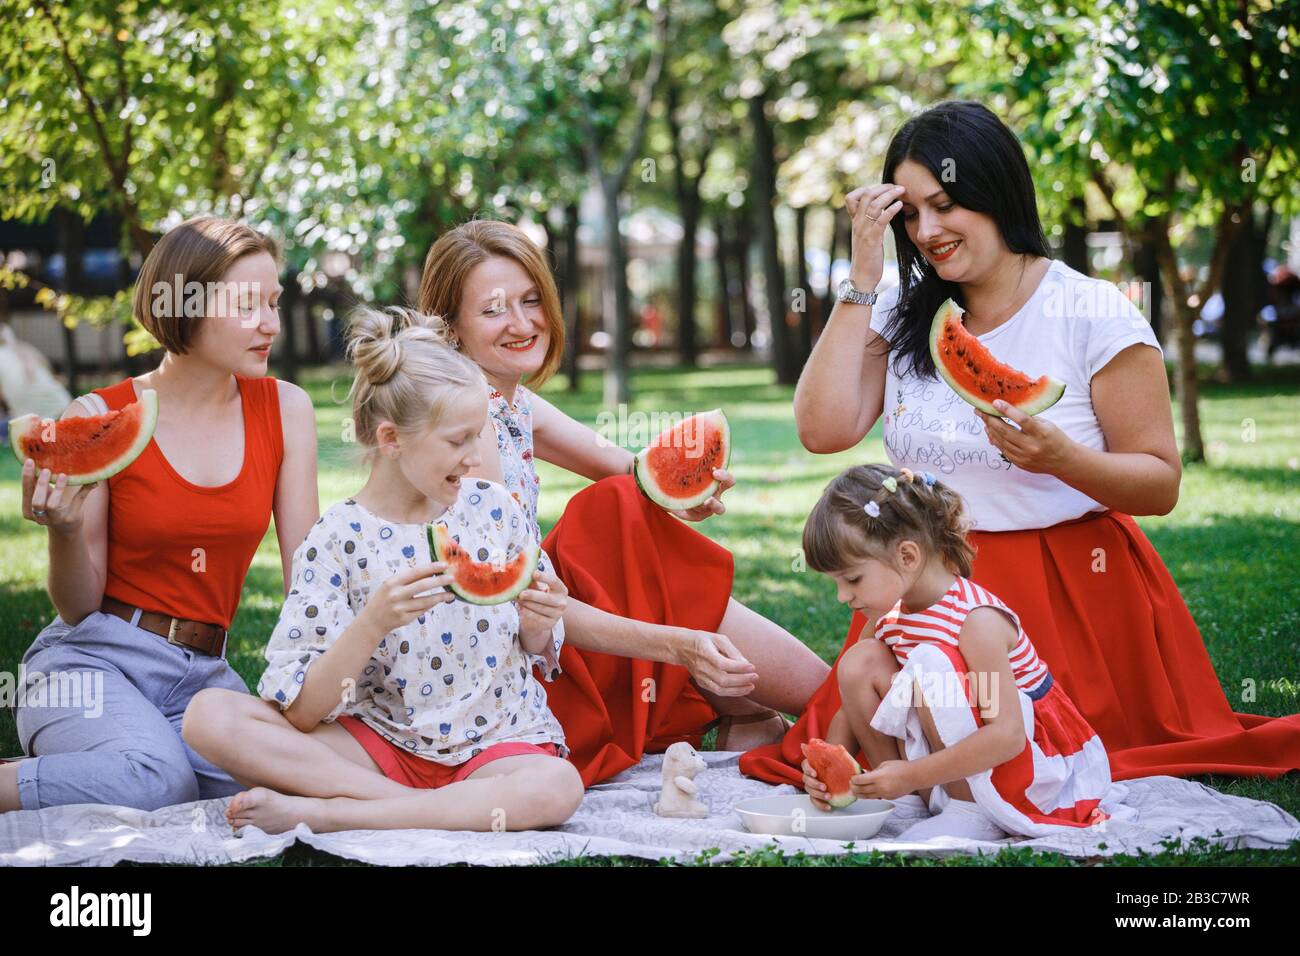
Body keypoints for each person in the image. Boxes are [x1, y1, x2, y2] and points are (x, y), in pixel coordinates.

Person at [743, 99, 1300, 786]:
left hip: (1068, 588)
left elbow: (1161, 483)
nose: (927, 230)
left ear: (996, 190)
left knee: (1034, 761)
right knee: (888, 760)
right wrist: (861, 283)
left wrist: (1061, 459)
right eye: (909, 214)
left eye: (945, 205)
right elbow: (821, 429)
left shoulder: (1091, 310)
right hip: (926, 590)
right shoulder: (899, 308)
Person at [417, 221, 831, 785]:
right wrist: (679, 646)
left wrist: (686, 493)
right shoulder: (474, 424)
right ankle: (826, 701)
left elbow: (629, 472)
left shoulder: (507, 399)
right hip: (515, 675)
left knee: (618, 506)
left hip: (539, 631)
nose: (521, 323)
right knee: (612, 515)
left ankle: (765, 708)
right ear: (450, 327)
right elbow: (525, 608)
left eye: (531, 300)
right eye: (493, 310)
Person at [182, 307, 584, 834]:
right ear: (392, 440)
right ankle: (405, 807)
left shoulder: (494, 509)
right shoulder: (337, 538)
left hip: (494, 745)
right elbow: (302, 714)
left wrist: (537, 620)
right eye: (458, 440)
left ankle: (335, 814)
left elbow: (534, 647)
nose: (474, 457)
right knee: (209, 716)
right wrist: (372, 623)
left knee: (558, 786)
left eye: (478, 437)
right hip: (380, 744)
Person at [0, 216, 319, 813]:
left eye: (274, 303)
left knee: (277, 788)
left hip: (206, 677)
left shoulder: (287, 409)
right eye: (248, 304)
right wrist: (65, 531)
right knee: (157, 781)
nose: (269, 325)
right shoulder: (98, 412)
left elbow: (310, 579)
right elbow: (77, 606)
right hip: (92, 659)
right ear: (185, 303)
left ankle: (115, 766)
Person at [799, 464, 1118, 841]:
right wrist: (826, 767)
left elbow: (1009, 735)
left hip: (1024, 764)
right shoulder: (889, 615)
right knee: (859, 661)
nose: (842, 596)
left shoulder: (975, 621)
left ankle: (971, 812)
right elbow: (848, 711)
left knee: (931, 664)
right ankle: (909, 802)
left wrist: (913, 774)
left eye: (852, 579)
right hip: (945, 764)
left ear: (907, 556)